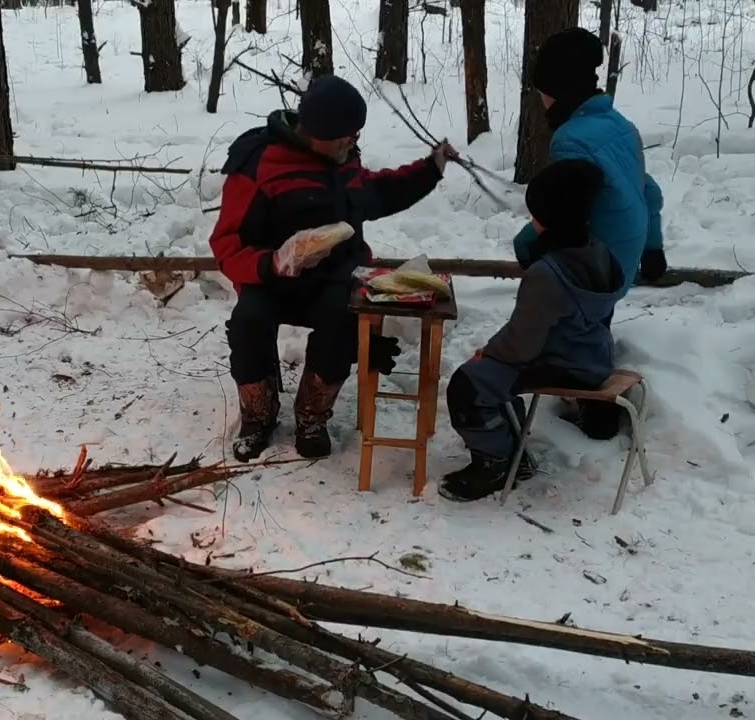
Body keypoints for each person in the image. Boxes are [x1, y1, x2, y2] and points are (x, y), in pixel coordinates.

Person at [209, 75, 454, 462]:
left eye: (355, 134)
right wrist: (271, 263)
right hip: (273, 280)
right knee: (248, 321)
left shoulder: (342, 159)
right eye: (344, 134)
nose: (351, 141)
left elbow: (375, 193)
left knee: (341, 318)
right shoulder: (260, 163)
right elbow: (226, 242)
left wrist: (431, 168)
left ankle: (312, 417)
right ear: (315, 130)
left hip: (333, 278)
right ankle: (258, 416)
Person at [441, 158, 626, 502]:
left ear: (550, 218)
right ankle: (512, 452)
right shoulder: (599, 252)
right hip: (590, 355)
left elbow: (521, 344)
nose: (531, 220)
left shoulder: (547, 275)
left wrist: (489, 353)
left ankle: (495, 462)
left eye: (535, 213)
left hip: (561, 362)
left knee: (469, 384)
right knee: (492, 374)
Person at [513, 27, 665, 439]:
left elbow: (566, 220)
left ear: (559, 90)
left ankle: (594, 408)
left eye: (543, 91)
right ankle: (590, 389)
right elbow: (649, 191)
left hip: (600, 265)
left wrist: (527, 245)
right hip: (627, 251)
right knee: (594, 321)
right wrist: (653, 248)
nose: (541, 100)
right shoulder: (620, 125)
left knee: (570, 319)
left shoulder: (571, 139)